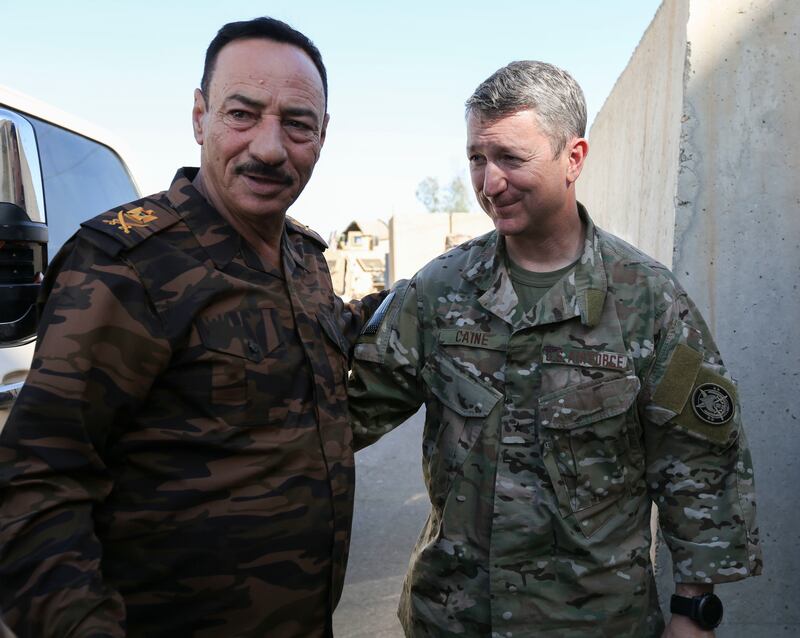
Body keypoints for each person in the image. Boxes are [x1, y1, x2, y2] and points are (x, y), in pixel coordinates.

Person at [348, 61, 762, 637]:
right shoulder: (438, 291)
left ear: (574, 158)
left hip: (595, 622)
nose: (489, 183)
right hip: (454, 618)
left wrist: (693, 612)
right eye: (476, 158)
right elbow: (344, 415)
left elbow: (699, 461)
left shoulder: (646, 299)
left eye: (511, 159)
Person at [0, 17, 383, 638]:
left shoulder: (306, 262)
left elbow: (325, 343)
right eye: (242, 114)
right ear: (200, 116)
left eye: (296, 123)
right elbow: (36, 487)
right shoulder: (127, 265)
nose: (268, 146)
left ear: (322, 134)